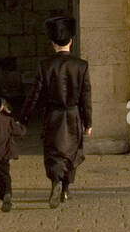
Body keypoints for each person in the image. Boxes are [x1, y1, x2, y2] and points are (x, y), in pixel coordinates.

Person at [19, 15, 92, 208]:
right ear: (71, 41)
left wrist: (23, 119)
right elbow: (86, 97)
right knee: (71, 152)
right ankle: (66, 190)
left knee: (53, 151)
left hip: (52, 115)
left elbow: (33, 95)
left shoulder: (45, 66)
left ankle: (56, 183)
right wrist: (89, 122)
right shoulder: (81, 65)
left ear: (52, 43)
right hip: (74, 114)